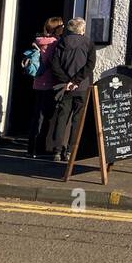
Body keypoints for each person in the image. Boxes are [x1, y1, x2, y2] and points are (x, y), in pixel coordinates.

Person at [50, 17, 97, 162]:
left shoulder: (61, 43)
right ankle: (71, 151)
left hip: (65, 87)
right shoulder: (89, 43)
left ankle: (57, 151)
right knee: (77, 119)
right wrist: (76, 81)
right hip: (82, 87)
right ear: (82, 29)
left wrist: (67, 81)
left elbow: (55, 65)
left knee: (62, 118)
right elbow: (90, 65)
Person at [25, 16, 64, 158]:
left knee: (37, 115)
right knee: (48, 116)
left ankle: (31, 148)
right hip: (50, 83)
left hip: (37, 82)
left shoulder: (38, 41)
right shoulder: (56, 43)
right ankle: (42, 148)